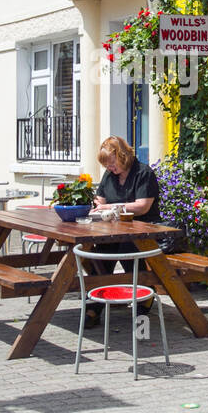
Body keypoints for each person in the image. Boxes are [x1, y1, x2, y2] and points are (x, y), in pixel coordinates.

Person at [83, 136, 162, 327]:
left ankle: (143, 294)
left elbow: (142, 207)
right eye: (106, 164)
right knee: (101, 255)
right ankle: (96, 304)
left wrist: (111, 206)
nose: (109, 167)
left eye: (111, 162)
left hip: (142, 227)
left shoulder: (143, 173)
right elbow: (100, 199)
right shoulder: (110, 175)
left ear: (123, 155)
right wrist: (98, 206)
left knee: (127, 250)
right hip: (113, 227)